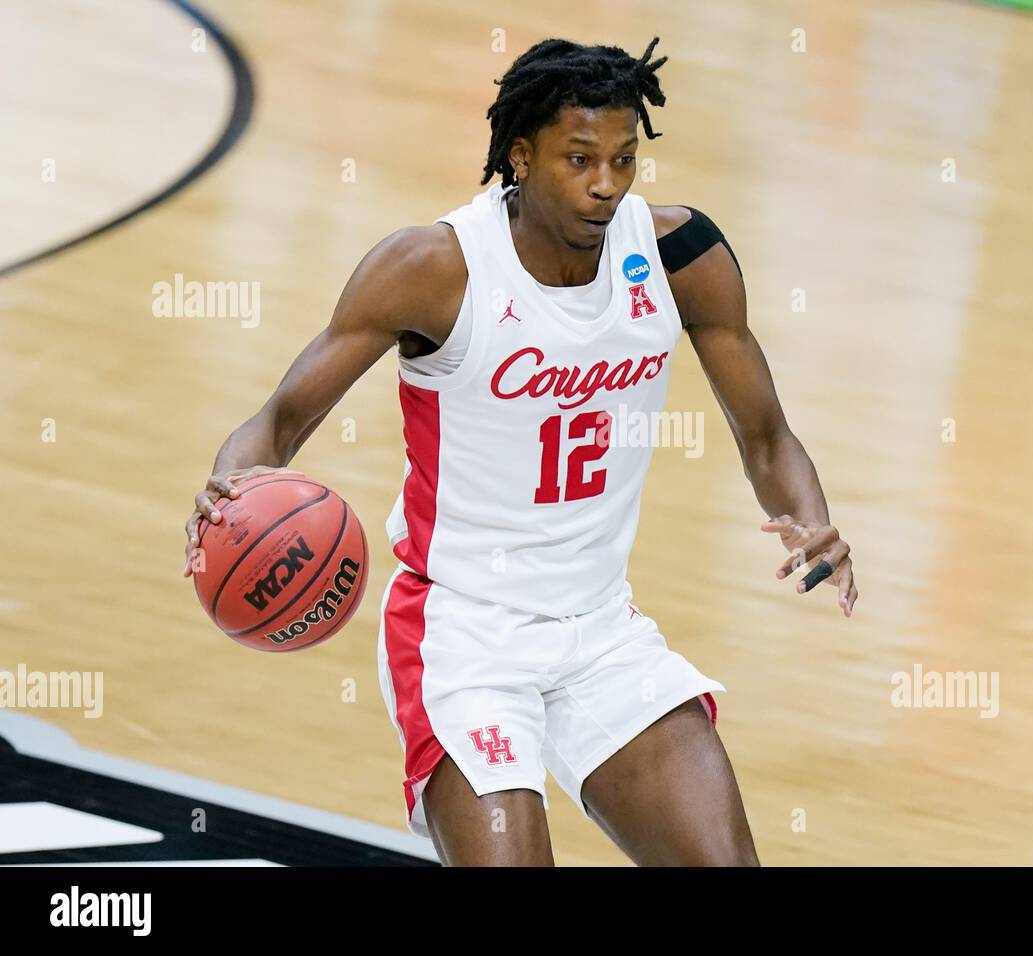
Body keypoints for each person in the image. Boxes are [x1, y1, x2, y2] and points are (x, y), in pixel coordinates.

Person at [183, 36, 856, 866]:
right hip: (464, 636)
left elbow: (766, 436)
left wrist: (811, 519)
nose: (606, 183)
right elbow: (278, 422)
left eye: (623, 159)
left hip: (601, 629)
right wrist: (229, 492)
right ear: (521, 154)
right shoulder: (434, 268)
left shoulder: (684, 259)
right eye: (579, 159)